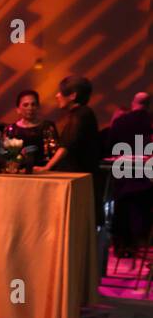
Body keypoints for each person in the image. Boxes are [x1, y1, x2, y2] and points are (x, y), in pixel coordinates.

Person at [34, 75, 104, 220]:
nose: (57, 95)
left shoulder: (82, 114)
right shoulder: (81, 113)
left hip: (79, 180)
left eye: (61, 92)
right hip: (82, 180)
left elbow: (67, 144)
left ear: (72, 96)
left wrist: (47, 167)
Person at [106, 90, 153, 255]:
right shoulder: (150, 121)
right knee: (142, 208)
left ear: (134, 103)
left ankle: (122, 246)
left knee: (121, 208)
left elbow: (110, 145)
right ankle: (141, 242)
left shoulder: (121, 121)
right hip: (146, 176)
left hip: (123, 173)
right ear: (148, 106)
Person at [8, 88, 57, 167]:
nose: (30, 108)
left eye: (33, 104)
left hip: (44, 172)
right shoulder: (11, 129)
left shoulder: (47, 126)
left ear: (38, 107)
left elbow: (54, 153)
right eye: (25, 105)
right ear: (18, 109)